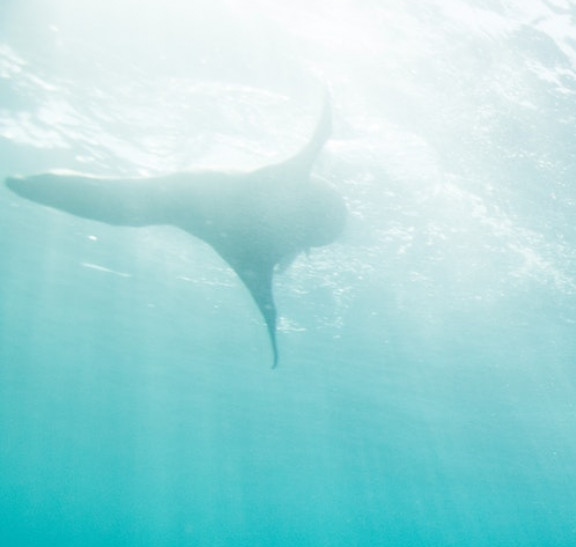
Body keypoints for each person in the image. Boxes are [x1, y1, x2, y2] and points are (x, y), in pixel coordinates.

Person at [5, 98, 345, 368]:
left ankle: (36, 188)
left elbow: (318, 139)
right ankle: (35, 188)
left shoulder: (259, 212)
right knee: (133, 205)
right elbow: (267, 303)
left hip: (212, 208)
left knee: (132, 205)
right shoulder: (255, 238)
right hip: (225, 216)